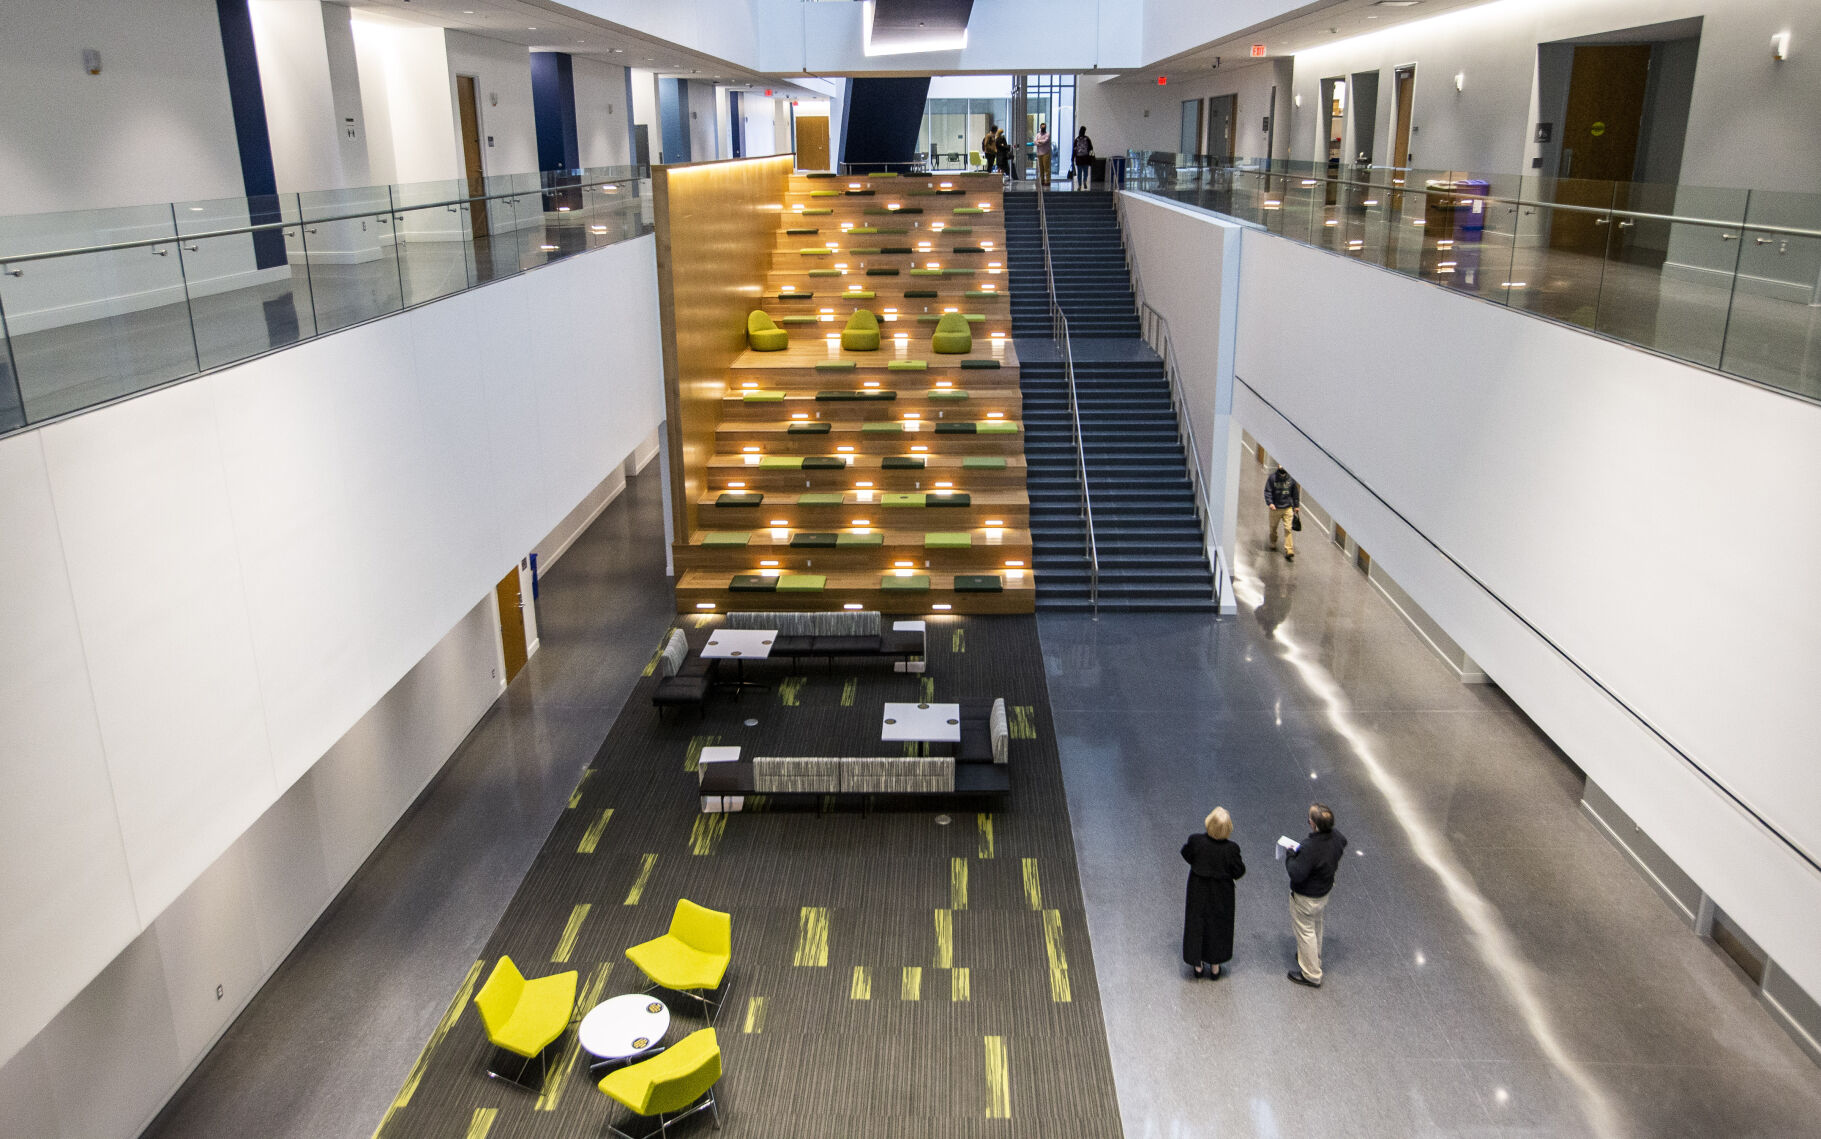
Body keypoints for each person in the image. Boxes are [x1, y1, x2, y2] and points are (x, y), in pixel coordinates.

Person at [1285, 803, 1347, 988]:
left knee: (1305, 931)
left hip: (1306, 897)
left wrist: (1290, 856)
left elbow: (1296, 873)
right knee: (1316, 924)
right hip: (1323, 892)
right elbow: (1342, 843)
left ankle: (1311, 973)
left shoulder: (1310, 847)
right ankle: (1313, 956)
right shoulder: (1336, 838)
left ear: (1313, 824)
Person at [1182, 806, 1246, 979]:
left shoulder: (1196, 841)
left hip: (1198, 889)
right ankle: (1215, 966)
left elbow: (1187, 855)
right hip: (1222, 892)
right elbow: (1239, 871)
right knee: (1219, 925)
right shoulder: (1231, 849)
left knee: (1196, 923)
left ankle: (1198, 965)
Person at [1264, 465, 1300, 561]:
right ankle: (1273, 541)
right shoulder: (1272, 478)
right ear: (1278, 466)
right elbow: (1268, 491)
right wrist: (1270, 503)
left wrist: (1296, 506)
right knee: (1273, 528)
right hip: (1275, 508)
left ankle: (1289, 550)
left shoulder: (1291, 479)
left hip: (1287, 508)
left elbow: (1295, 493)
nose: (1282, 466)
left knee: (1288, 528)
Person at [1034, 122, 1052, 188]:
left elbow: (1045, 141)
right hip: (1039, 153)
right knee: (1041, 168)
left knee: (1046, 168)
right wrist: (1039, 142)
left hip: (1046, 153)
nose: (1043, 128)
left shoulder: (1047, 134)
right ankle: (1042, 180)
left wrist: (1039, 141)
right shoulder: (1038, 135)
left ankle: (1047, 181)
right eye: (1042, 127)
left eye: (1044, 127)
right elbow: (1035, 142)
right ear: (1040, 127)